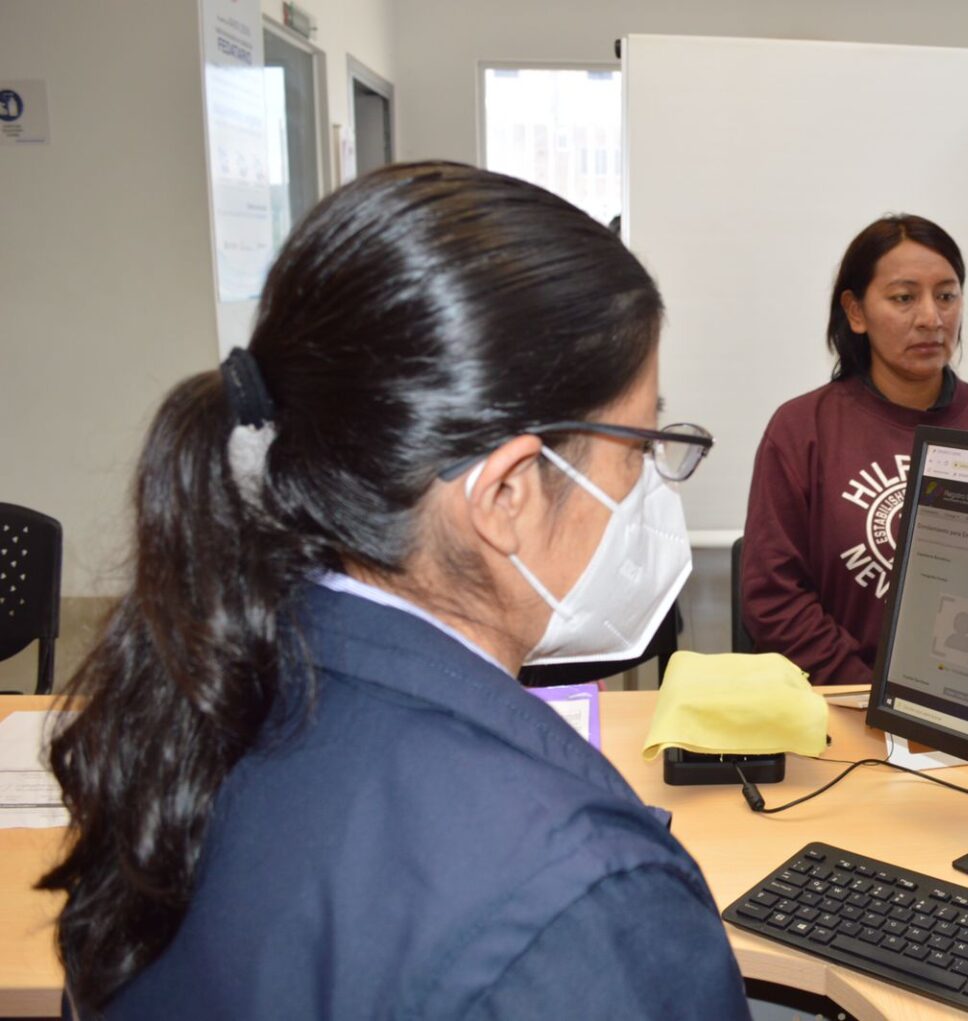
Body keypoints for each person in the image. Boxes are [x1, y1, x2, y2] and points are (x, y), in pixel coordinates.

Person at [40, 163, 748, 1020]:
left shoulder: (214, 678)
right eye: (636, 448)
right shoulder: (587, 893)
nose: (648, 488)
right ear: (507, 494)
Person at [741, 214, 968, 685]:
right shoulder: (801, 430)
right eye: (904, 298)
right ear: (856, 312)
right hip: (840, 704)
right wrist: (866, 696)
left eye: (946, 295)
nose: (931, 317)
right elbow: (773, 598)